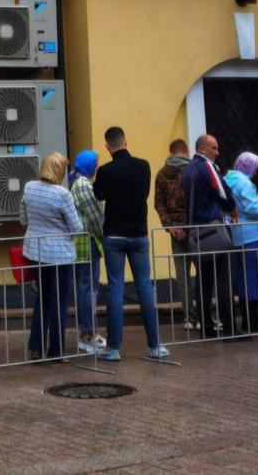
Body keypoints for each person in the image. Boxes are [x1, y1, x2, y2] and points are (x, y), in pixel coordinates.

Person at [91, 127, 166, 361]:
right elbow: (143, 194)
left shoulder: (105, 171)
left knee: (115, 287)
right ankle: (156, 346)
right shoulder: (143, 166)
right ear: (125, 141)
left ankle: (113, 349)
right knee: (144, 285)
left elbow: (98, 194)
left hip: (114, 235)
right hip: (139, 234)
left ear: (107, 146)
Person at [20, 152, 79, 361]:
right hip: (59, 255)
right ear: (59, 170)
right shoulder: (63, 194)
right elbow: (77, 227)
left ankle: (35, 347)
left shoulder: (29, 187)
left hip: (35, 251)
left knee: (42, 298)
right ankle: (56, 351)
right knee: (59, 301)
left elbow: (23, 218)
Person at [181, 134, 236, 338]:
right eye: (214, 148)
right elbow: (223, 193)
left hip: (196, 231)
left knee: (203, 282)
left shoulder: (188, 170)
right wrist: (232, 208)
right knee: (223, 280)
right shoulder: (207, 166)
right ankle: (229, 327)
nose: (217, 152)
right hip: (213, 229)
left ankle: (206, 327)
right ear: (202, 149)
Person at [223, 153, 258, 334]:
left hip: (236, 236)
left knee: (244, 281)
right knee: (254, 280)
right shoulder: (246, 183)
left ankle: (248, 320)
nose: (257, 170)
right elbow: (253, 209)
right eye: (255, 166)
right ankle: (255, 322)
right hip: (251, 236)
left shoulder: (229, 180)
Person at [152, 140, 198, 331]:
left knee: (182, 274)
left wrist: (170, 227)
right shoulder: (193, 170)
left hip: (175, 230)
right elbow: (197, 199)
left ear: (170, 152)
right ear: (186, 151)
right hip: (194, 227)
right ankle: (204, 314)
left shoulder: (162, 173)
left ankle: (188, 316)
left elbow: (158, 204)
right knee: (203, 270)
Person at [67, 151, 106, 354]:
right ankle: (89, 334)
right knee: (89, 287)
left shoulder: (79, 182)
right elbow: (95, 216)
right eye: (96, 163)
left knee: (85, 287)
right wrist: (105, 235)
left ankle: (87, 333)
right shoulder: (83, 185)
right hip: (88, 240)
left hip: (84, 240)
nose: (97, 167)